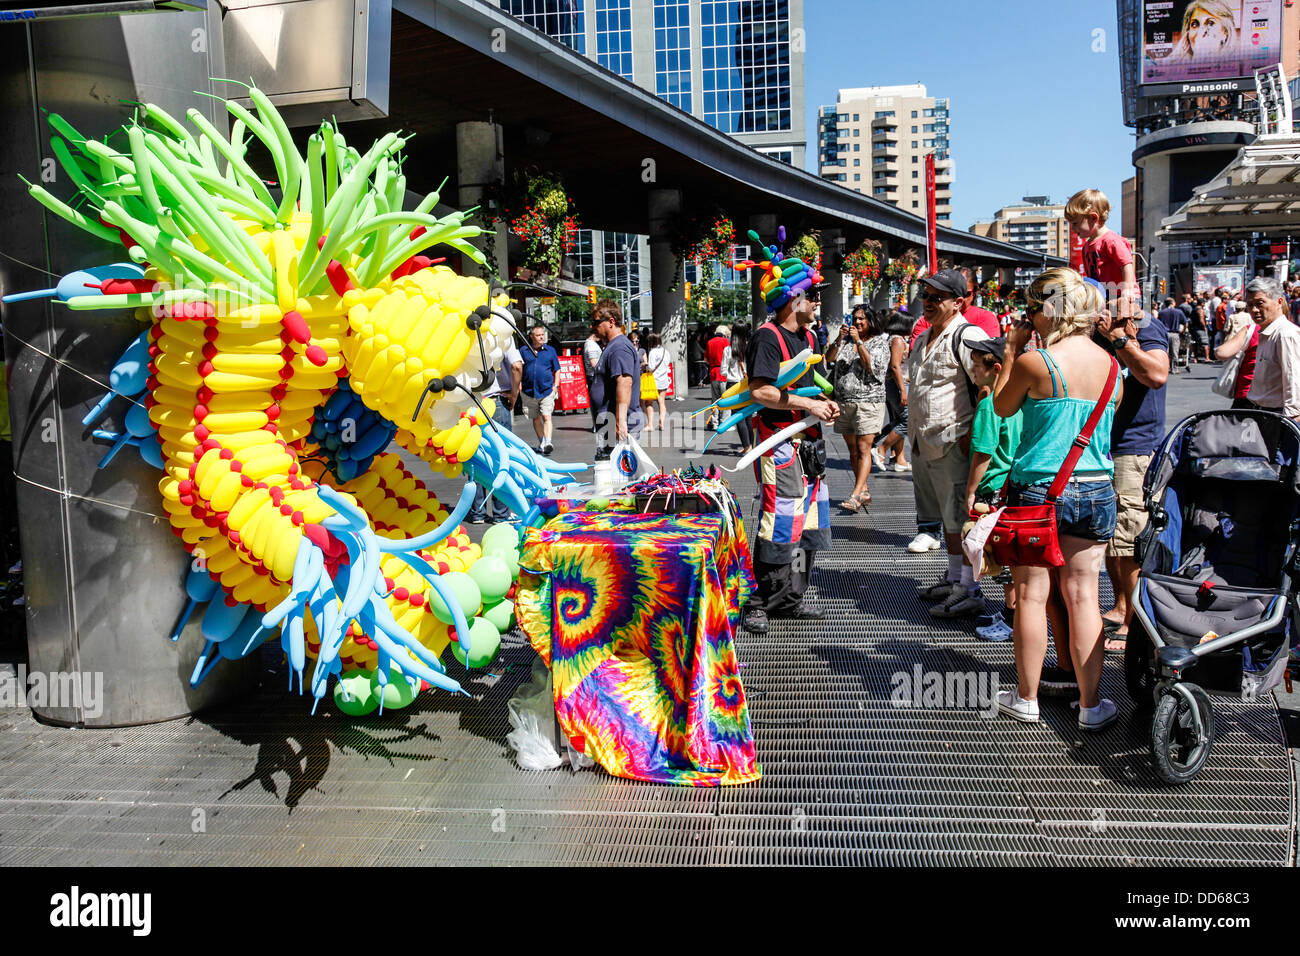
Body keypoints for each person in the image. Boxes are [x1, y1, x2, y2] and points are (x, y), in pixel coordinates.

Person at [991, 269, 1122, 731]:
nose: (1031, 317)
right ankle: (1090, 706)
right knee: (1085, 595)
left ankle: (1026, 699)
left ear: (1051, 310)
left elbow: (1001, 407)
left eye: (1035, 308)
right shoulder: (1112, 367)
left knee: (1031, 595)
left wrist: (1010, 353)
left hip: (1038, 491)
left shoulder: (1035, 363)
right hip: (1096, 487)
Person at [741, 260, 839, 635]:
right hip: (780, 443)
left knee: (808, 522)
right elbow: (761, 390)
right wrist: (808, 404)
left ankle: (790, 599)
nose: (816, 302)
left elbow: (815, 384)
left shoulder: (812, 338)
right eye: (812, 295)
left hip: (810, 444)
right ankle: (760, 601)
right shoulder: (767, 337)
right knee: (780, 519)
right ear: (792, 299)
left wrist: (826, 404)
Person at [908, 268, 990, 616]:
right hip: (924, 441)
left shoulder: (968, 335)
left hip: (952, 441)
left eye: (936, 297)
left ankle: (969, 588)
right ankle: (955, 576)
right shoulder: (925, 337)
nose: (927, 302)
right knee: (945, 517)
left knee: (959, 516)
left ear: (958, 302)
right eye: (925, 296)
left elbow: (989, 387)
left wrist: (972, 435)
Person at [1094, 289, 1169, 654]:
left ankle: (1133, 622)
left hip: (1134, 447)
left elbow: (1156, 374)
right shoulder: (1098, 329)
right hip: (1102, 445)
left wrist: (1121, 339)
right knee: (1112, 537)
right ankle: (1122, 606)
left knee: (1130, 536)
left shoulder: (1147, 329)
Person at [962, 336, 1023, 642]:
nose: (972, 369)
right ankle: (1012, 614)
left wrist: (971, 490)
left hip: (993, 489)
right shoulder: (1023, 399)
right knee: (1012, 554)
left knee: (1000, 554)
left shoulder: (990, 405)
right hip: (1015, 485)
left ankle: (1012, 620)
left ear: (995, 368)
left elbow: (983, 452)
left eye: (976, 364)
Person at [827, 305, 889, 512]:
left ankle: (855, 495)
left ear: (871, 320)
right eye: (855, 318)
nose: (858, 322)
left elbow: (872, 366)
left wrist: (859, 342)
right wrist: (839, 339)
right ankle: (863, 490)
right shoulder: (846, 342)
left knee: (864, 449)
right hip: (845, 402)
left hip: (868, 402)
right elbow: (829, 359)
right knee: (853, 451)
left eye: (862, 319)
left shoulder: (880, 343)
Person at [467, 340, 522, 524]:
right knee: (500, 457)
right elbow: (516, 366)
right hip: (496, 402)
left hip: (470, 403)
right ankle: (500, 513)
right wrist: (514, 394)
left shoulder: (466, 334)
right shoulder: (501, 333)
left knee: (475, 456)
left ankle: (478, 512)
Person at [1067, 188, 1136, 321]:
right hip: (1106, 299)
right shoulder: (1087, 247)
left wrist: (1127, 290)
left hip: (1122, 298)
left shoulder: (1110, 240)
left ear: (1093, 218)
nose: (1073, 229)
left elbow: (1126, 264)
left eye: (1075, 223)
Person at [591, 299, 645, 458]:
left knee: (623, 479)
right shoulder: (612, 346)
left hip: (620, 427)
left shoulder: (619, 347)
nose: (592, 326)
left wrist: (620, 422)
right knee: (611, 479)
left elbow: (625, 383)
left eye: (595, 322)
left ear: (611, 322)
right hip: (609, 426)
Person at [1245, 276, 1300, 420]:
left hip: (1279, 417)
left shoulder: (1285, 334)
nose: (1254, 310)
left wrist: (1290, 422)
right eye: (1250, 305)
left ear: (1279, 302)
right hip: (1263, 414)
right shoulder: (1266, 332)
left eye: (1260, 303)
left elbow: (1294, 381)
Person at [874, 309, 912, 475]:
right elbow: (895, 366)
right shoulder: (897, 340)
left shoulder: (894, 339)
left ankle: (900, 460)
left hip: (893, 384)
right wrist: (903, 390)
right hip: (897, 385)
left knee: (898, 420)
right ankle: (881, 449)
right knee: (907, 421)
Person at [520, 325, 560, 456]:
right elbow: (518, 369)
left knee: (546, 416)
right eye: (538, 335)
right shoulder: (524, 351)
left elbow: (557, 369)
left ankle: (548, 442)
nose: (542, 337)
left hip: (547, 390)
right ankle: (542, 442)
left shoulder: (550, 350)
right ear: (531, 337)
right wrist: (519, 385)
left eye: (543, 334)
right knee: (535, 419)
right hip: (529, 391)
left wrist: (556, 386)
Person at [1215, 300, 1259, 409]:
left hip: (1237, 340)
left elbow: (1226, 329)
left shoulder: (1234, 318)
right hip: (1270, 396)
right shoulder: (1250, 319)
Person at [722, 325, 754, 453]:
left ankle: (747, 446)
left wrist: (732, 374)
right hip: (747, 384)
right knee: (748, 416)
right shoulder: (750, 348)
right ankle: (751, 444)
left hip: (734, 385)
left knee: (738, 416)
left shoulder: (728, 350)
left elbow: (723, 371)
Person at [957, 266, 1001, 337]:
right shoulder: (940, 315)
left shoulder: (985, 318)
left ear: (974, 293)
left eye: (966, 294)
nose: (961, 298)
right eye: (957, 292)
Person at [642, 332, 670, 431]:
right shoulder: (666, 352)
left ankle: (650, 424)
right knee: (661, 402)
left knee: (649, 403)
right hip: (664, 380)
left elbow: (651, 367)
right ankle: (661, 422)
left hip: (653, 381)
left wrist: (645, 365)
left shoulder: (653, 352)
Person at [706, 324, 731, 429]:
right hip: (724, 373)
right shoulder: (726, 342)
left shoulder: (709, 342)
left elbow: (706, 359)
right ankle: (724, 423)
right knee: (726, 399)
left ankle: (714, 422)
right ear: (725, 334)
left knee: (715, 400)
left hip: (713, 372)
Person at [582, 330, 604, 432]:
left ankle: (597, 424)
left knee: (595, 401)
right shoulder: (591, 346)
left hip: (592, 376)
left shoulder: (589, 344)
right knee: (597, 401)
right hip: (594, 376)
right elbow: (594, 364)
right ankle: (598, 425)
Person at [1158, 296, 1186, 372]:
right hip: (1175, 334)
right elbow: (1185, 323)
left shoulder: (1161, 312)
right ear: (1173, 303)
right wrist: (1182, 331)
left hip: (1164, 334)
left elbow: (1159, 324)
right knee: (1174, 352)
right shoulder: (1179, 312)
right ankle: (1174, 369)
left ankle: (1164, 368)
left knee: (1165, 352)